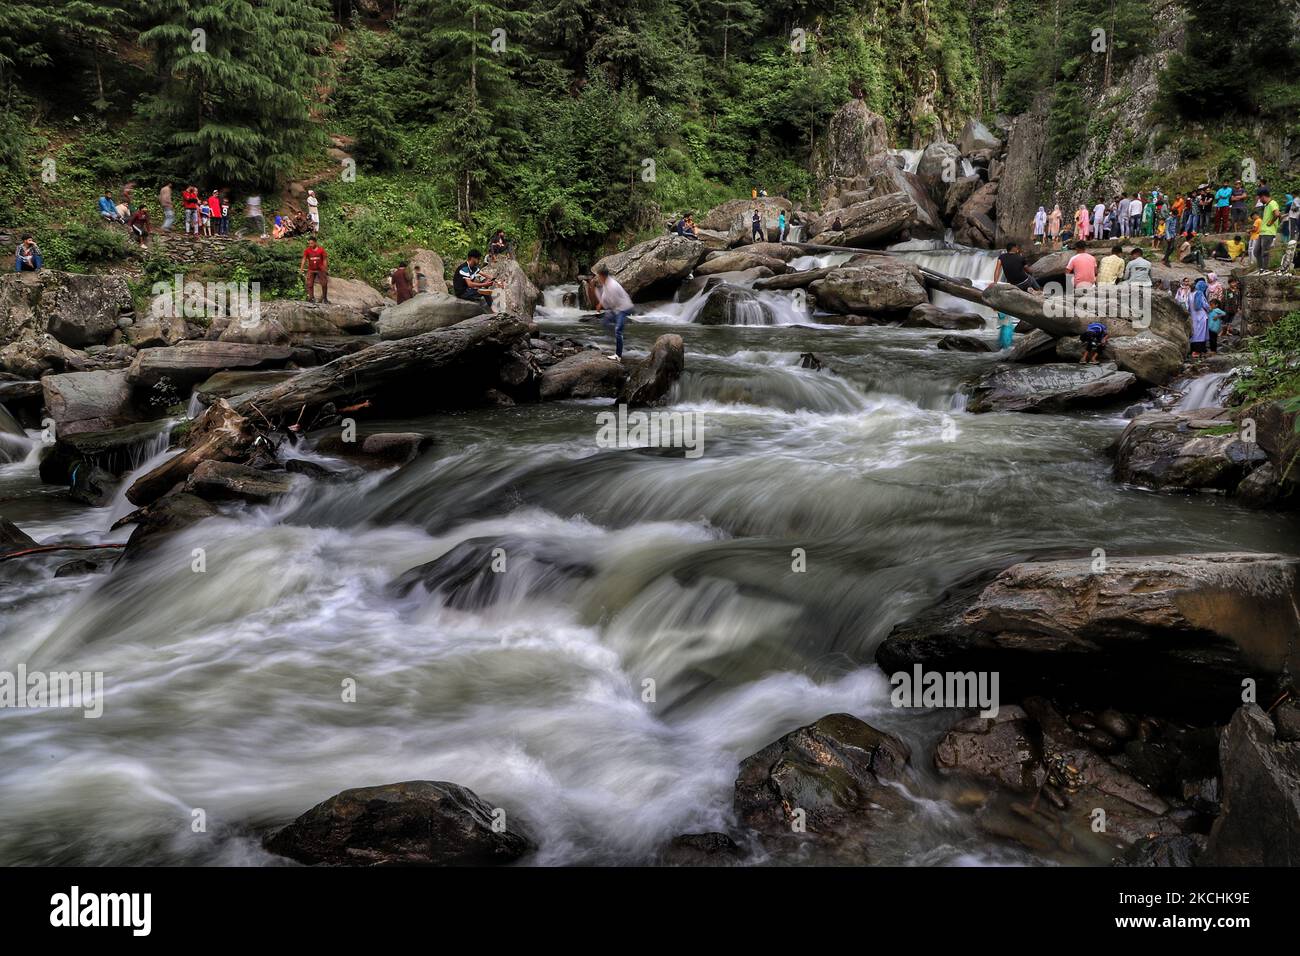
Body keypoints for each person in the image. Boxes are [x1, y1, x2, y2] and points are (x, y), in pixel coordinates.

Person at [594, 264, 633, 360]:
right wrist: (600, 304)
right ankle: (619, 338)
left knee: (617, 330)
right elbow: (605, 294)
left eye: (598, 275)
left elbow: (613, 303)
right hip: (617, 308)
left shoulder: (612, 286)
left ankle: (618, 355)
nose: (597, 277)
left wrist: (604, 307)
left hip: (624, 308)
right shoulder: (607, 282)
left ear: (602, 276)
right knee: (605, 322)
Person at [1257, 186, 1281, 269]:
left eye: (1260, 198)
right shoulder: (1267, 205)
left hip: (1268, 232)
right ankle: (1261, 268)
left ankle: (1265, 269)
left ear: (1263, 196)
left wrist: (1271, 222)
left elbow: (1277, 214)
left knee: (1265, 252)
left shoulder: (1272, 203)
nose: (1259, 200)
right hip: (1262, 232)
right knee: (1256, 251)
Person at [300, 238, 330, 304]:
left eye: (312, 243)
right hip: (311, 269)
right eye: (309, 243)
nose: (310, 245)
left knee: (324, 283)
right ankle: (311, 298)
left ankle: (325, 299)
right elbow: (304, 259)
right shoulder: (307, 250)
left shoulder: (321, 250)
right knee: (309, 284)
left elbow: (325, 260)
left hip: (320, 269)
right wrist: (301, 269)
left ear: (315, 243)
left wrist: (325, 269)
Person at [1188, 278, 1210, 357]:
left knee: (1194, 334)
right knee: (1201, 334)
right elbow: (1205, 305)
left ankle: (1193, 350)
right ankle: (1198, 351)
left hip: (1193, 316)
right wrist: (1209, 308)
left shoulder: (1190, 294)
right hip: (1201, 316)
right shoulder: (1199, 293)